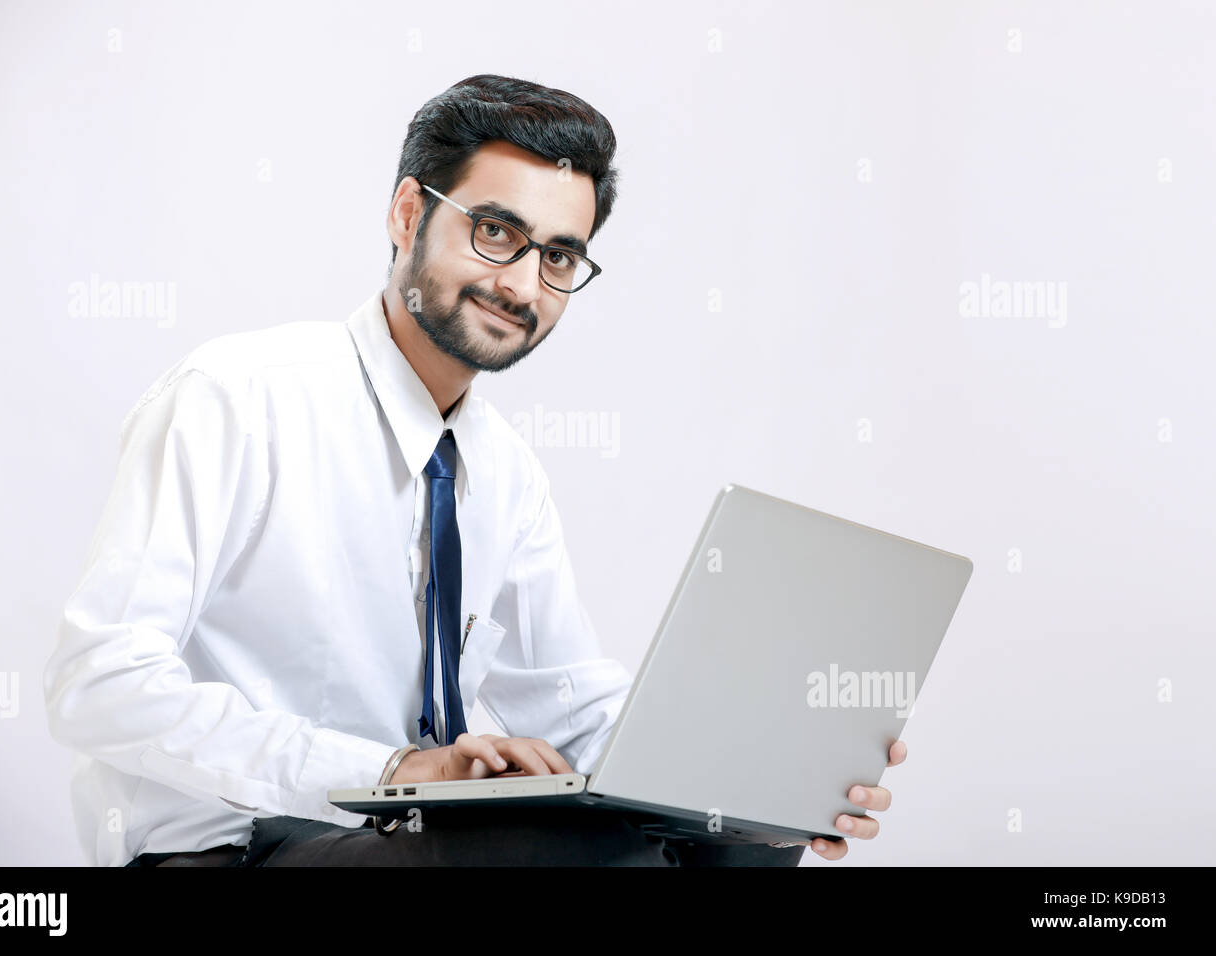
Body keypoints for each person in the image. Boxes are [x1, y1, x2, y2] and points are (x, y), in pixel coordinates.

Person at [44, 73, 902, 867]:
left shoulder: (504, 471)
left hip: (406, 843)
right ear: (407, 215)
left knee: (734, 844)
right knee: (537, 851)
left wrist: (764, 773)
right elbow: (99, 683)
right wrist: (396, 770)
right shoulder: (235, 397)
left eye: (558, 257)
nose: (524, 286)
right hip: (229, 849)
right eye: (496, 233)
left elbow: (569, 704)